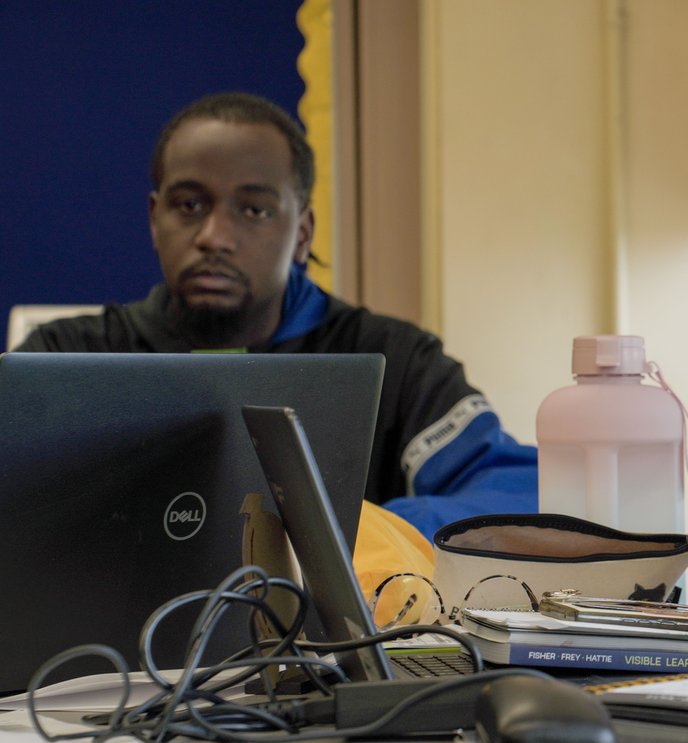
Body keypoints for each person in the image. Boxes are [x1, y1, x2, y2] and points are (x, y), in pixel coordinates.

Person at [15, 92, 536, 539]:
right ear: (155, 219)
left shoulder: (395, 362)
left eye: (255, 210)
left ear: (303, 233)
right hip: (105, 655)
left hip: (324, 652)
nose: (214, 237)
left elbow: (515, 492)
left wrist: (353, 534)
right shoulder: (61, 357)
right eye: (189, 205)